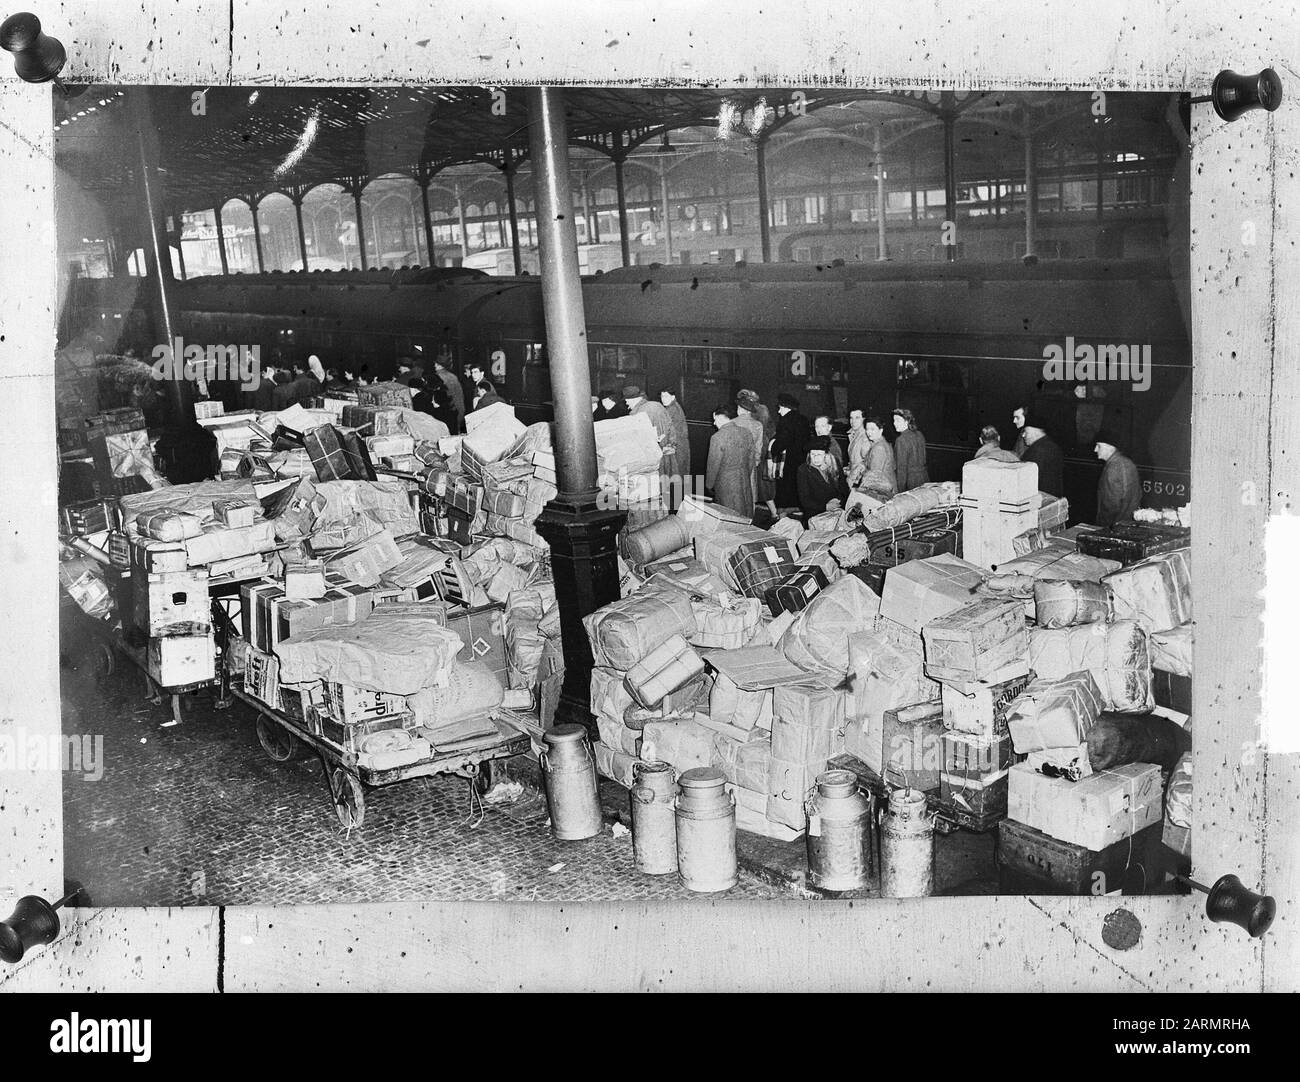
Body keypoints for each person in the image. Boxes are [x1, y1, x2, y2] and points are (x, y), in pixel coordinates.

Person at [705, 403, 755, 518]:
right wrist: (746, 474)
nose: (714, 423)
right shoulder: (746, 432)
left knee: (728, 516)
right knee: (744, 512)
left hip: (725, 483)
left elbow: (713, 465)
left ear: (721, 418)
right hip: (744, 479)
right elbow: (751, 459)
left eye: (715, 419)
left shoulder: (718, 437)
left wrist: (709, 485)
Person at [623, 384, 678, 483]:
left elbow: (640, 441)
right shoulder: (657, 405)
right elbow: (671, 429)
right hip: (667, 454)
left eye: (626, 401)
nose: (626, 404)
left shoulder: (638, 414)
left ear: (632, 399)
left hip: (654, 459)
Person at [737, 389, 778, 519]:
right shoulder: (763, 410)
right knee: (762, 485)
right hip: (763, 451)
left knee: (755, 485)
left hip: (758, 452)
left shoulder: (751, 415)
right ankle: (773, 512)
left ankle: (752, 515)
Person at [769, 393, 811, 511]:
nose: (778, 411)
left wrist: (773, 449)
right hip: (800, 459)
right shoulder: (803, 419)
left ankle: (783, 511)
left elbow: (782, 441)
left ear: (786, 407)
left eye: (780, 408)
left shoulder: (785, 421)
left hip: (787, 461)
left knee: (785, 487)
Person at [1095, 430, 1141, 526]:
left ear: (1110, 448)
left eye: (1099, 446)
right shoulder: (1128, 463)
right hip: (1129, 523)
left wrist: (1101, 528)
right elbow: (1138, 494)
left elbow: (1111, 505)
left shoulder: (1112, 468)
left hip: (1114, 527)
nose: (1095, 449)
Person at [797, 436, 849, 522]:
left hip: (836, 511)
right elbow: (805, 500)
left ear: (826, 454)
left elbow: (844, 488)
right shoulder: (803, 470)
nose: (816, 458)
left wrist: (839, 500)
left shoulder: (834, 465)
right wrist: (825, 507)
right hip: (815, 516)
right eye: (813, 454)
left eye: (819, 455)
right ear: (809, 454)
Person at [1020, 415, 1064, 497]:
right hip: (1051, 497)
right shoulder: (1051, 445)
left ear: (1035, 432)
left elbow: (1028, 480)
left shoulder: (1038, 450)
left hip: (1040, 498)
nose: (1023, 436)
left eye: (1026, 432)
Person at [857, 415, 897, 500]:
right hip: (887, 486)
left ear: (881, 430)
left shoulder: (879, 448)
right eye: (867, 429)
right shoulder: (881, 443)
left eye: (872, 429)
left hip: (883, 491)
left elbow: (874, 476)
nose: (869, 432)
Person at [659, 387, 692, 489]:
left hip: (676, 448)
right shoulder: (675, 407)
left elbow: (668, 431)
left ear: (673, 397)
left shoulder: (671, 409)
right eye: (661, 396)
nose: (663, 399)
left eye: (666, 396)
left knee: (673, 478)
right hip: (680, 447)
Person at [892, 408, 929, 492]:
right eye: (894, 420)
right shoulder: (919, 434)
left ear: (907, 421)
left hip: (911, 482)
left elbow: (901, 469)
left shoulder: (901, 440)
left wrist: (900, 491)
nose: (894, 423)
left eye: (898, 420)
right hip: (924, 477)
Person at [432, 351, 465, 431]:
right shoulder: (453, 376)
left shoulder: (437, 377)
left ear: (439, 365)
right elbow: (460, 395)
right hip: (457, 410)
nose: (434, 365)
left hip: (443, 412)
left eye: (436, 364)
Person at [846, 408, 871, 486]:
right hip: (852, 477)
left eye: (857, 418)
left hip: (858, 481)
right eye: (851, 418)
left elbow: (866, 463)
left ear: (863, 419)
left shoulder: (865, 437)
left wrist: (852, 478)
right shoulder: (853, 434)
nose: (853, 421)